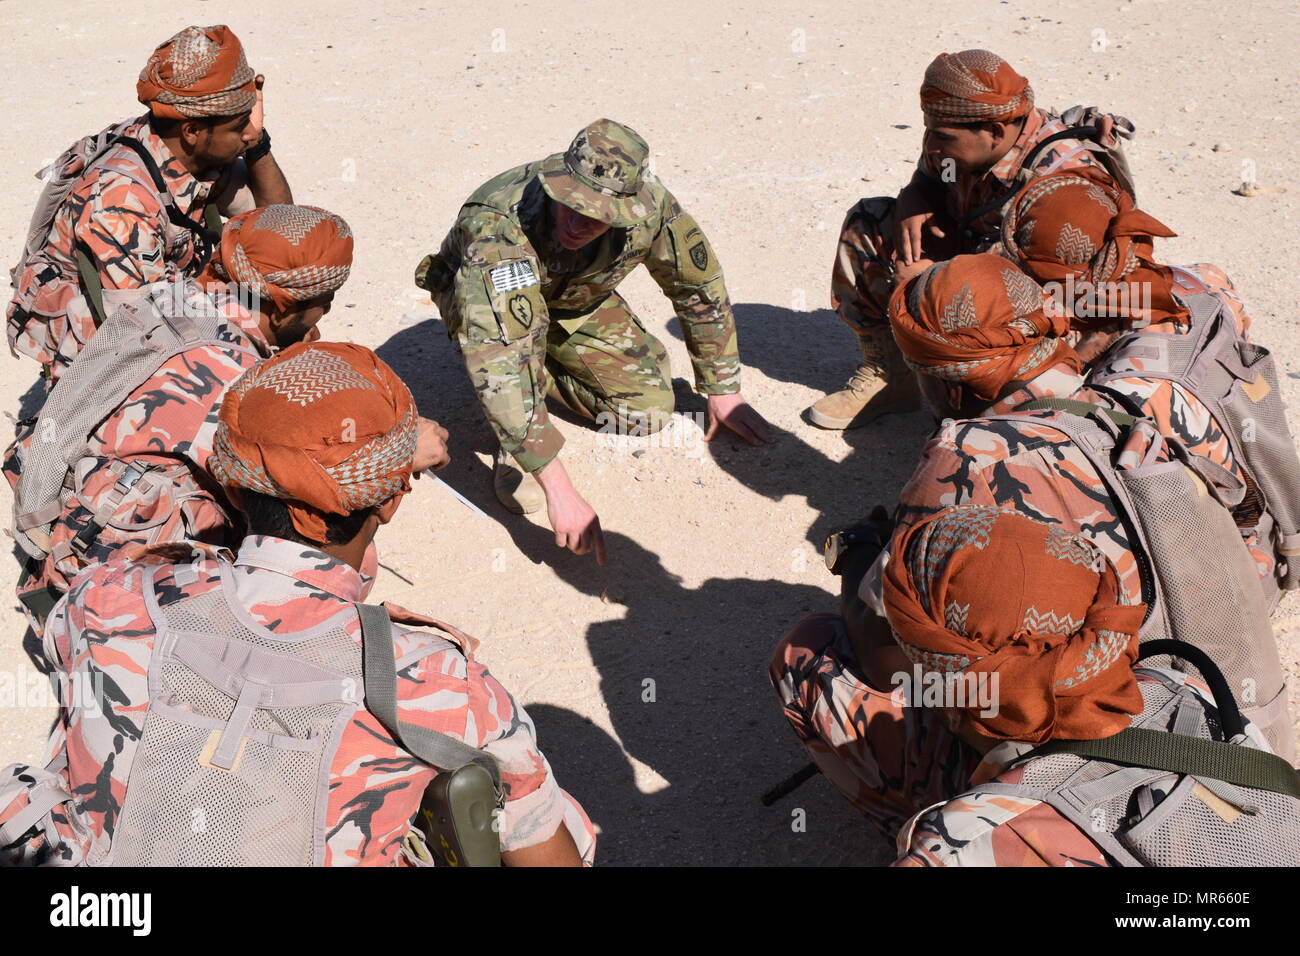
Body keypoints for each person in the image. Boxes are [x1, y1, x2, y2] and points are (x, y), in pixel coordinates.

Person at [1, 341, 595, 866]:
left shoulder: (110, 595)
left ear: (231, 485)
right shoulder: (441, 682)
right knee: (542, 812)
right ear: (388, 503)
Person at [769, 255, 1292, 825]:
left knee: (809, 651)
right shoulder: (1149, 393)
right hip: (1234, 706)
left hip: (1111, 768)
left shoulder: (964, 460)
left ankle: (951, 828)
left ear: (943, 380)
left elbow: (889, 658)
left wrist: (858, 555)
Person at [4, 205, 448, 639]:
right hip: (102, 609)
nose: (323, 317)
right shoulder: (231, 385)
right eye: (322, 305)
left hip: (61, 528)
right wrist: (400, 453)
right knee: (341, 542)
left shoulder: (174, 297)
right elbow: (314, 483)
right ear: (283, 308)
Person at [416, 118, 774, 561]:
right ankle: (519, 427)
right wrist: (558, 487)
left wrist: (722, 388)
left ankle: (541, 368)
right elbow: (502, 363)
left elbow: (697, 287)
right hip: (484, 299)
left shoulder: (652, 208)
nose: (578, 222)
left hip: (573, 295)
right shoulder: (497, 230)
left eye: (600, 216)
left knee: (646, 411)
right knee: (506, 362)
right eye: (571, 204)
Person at [810, 49, 1129, 429]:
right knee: (872, 222)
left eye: (941, 136)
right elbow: (934, 174)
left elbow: (1061, 305)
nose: (931, 146)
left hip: (1044, 315)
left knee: (948, 307)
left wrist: (924, 287)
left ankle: (984, 417)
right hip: (978, 267)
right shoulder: (960, 145)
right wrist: (917, 195)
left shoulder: (1063, 189)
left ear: (994, 132)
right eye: (929, 131)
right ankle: (893, 377)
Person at [7, 24, 292, 382]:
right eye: (240, 126)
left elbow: (280, 231)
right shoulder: (120, 202)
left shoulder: (190, 145)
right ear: (192, 131)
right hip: (108, 351)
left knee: (293, 297)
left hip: (167, 302)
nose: (248, 133)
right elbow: (151, 327)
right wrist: (267, 331)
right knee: (280, 329)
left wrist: (258, 145)